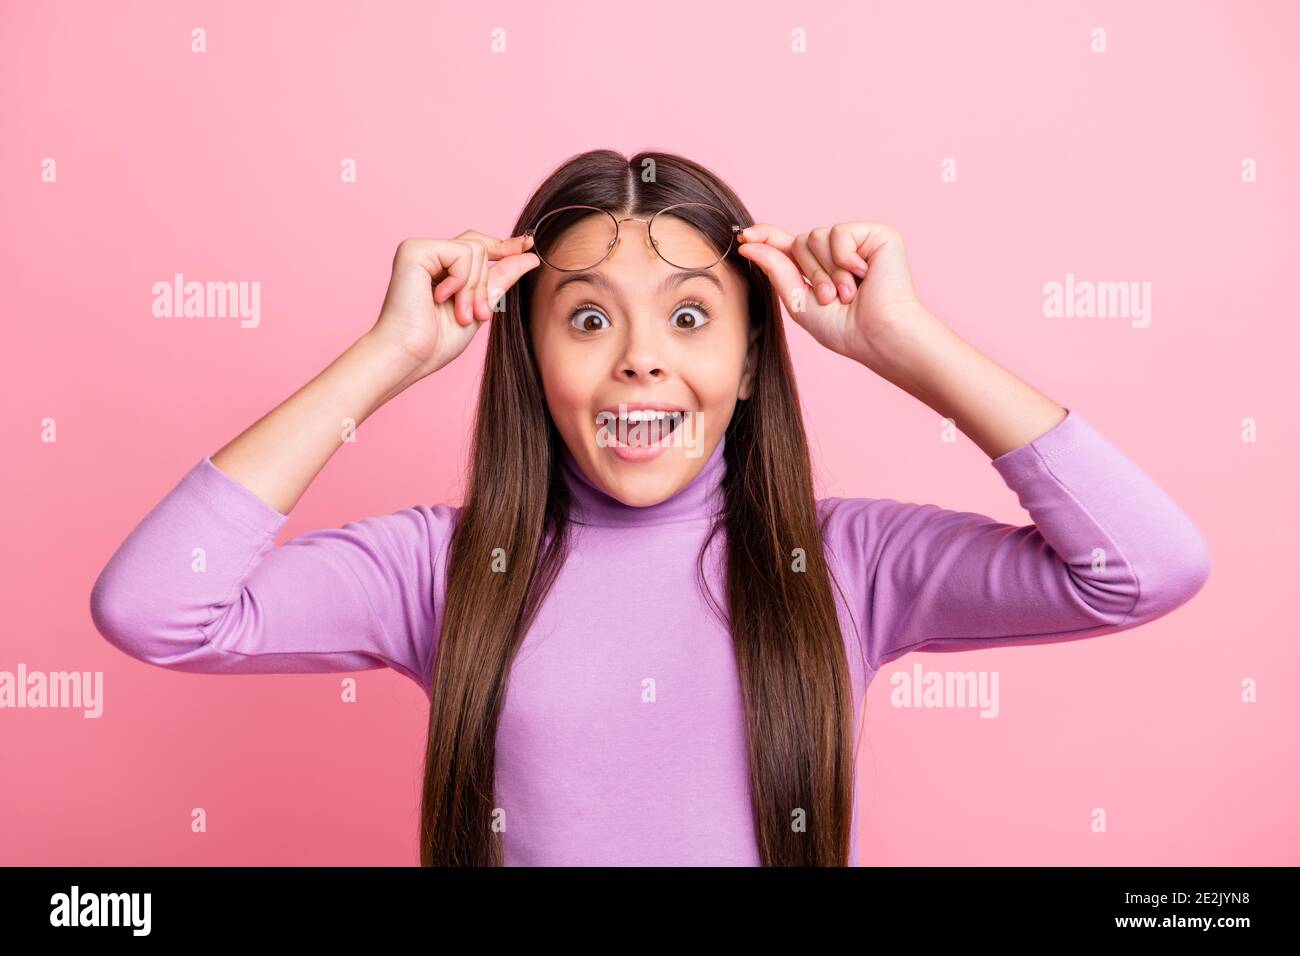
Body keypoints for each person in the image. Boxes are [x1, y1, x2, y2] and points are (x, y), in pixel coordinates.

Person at [90, 148, 1211, 866]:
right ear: (526, 359)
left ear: (753, 359)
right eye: (586, 320)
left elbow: (1145, 567)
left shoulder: (847, 560)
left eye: (687, 318)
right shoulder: (438, 568)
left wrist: (905, 345)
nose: (638, 361)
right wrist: (385, 357)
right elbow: (155, 608)